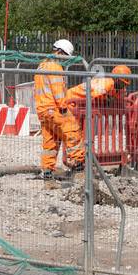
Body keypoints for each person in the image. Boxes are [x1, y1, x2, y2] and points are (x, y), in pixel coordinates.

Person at [34, 39, 85, 181]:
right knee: (73, 132)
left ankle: (48, 175)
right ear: (60, 52)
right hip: (55, 109)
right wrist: (63, 108)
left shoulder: (42, 65)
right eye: (65, 56)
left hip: (43, 111)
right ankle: (80, 169)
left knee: (50, 142)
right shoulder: (55, 67)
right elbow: (58, 92)